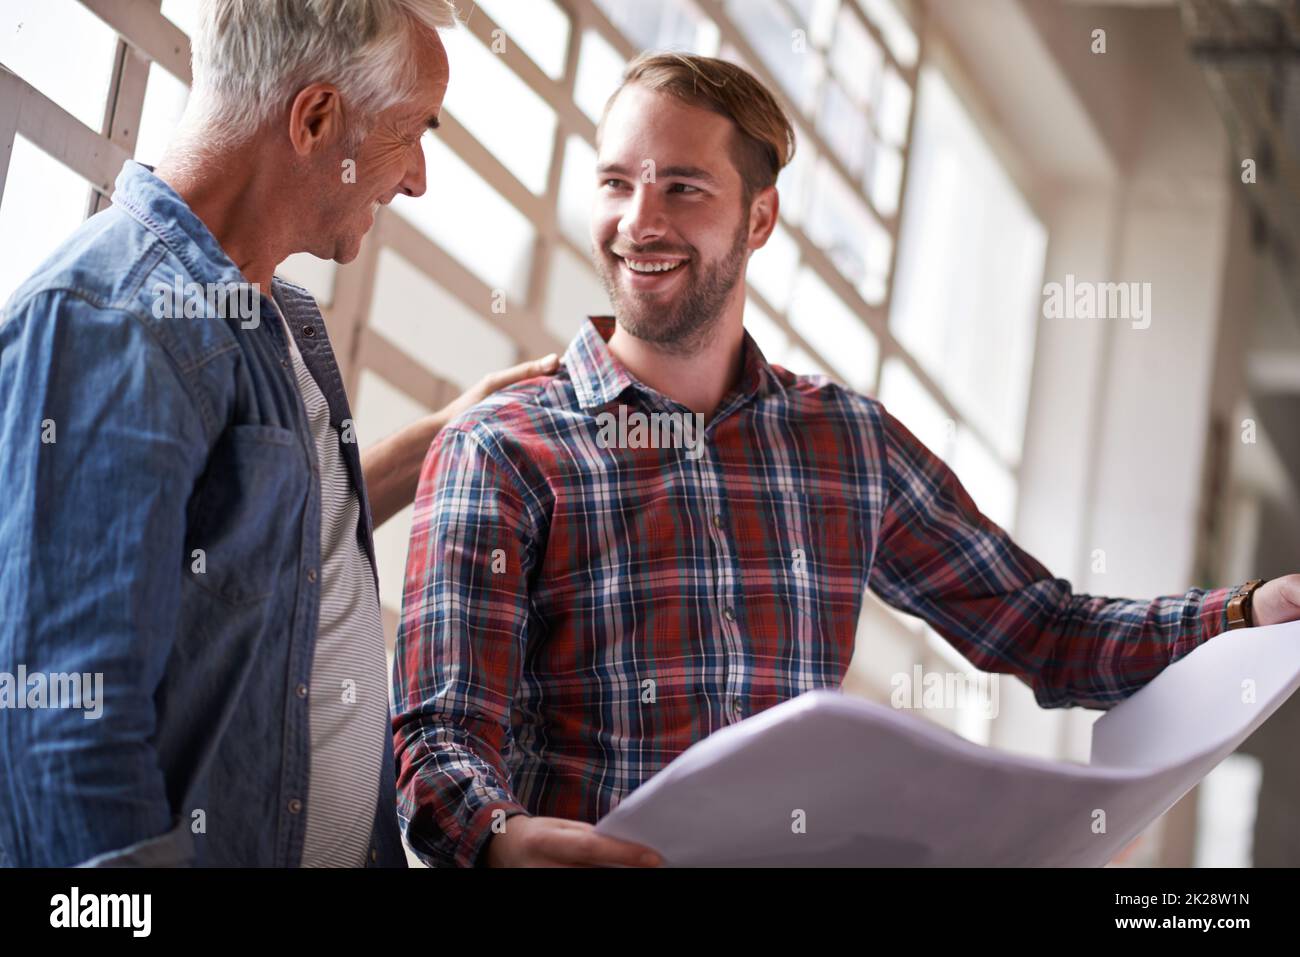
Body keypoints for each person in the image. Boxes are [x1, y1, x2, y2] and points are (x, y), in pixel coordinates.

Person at [391, 52, 1300, 868]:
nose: (638, 221)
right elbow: (438, 740)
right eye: (617, 182)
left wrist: (1247, 614)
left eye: (682, 188)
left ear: (759, 219)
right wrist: (503, 839)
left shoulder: (847, 445)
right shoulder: (501, 448)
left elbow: (1047, 631)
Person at [0, 0, 555, 867]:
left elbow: (256, 549)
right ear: (316, 119)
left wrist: (443, 438)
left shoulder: (272, 322)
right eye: (413, 132)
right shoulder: (117, 319)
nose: (416, 179)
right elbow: (68, 728)